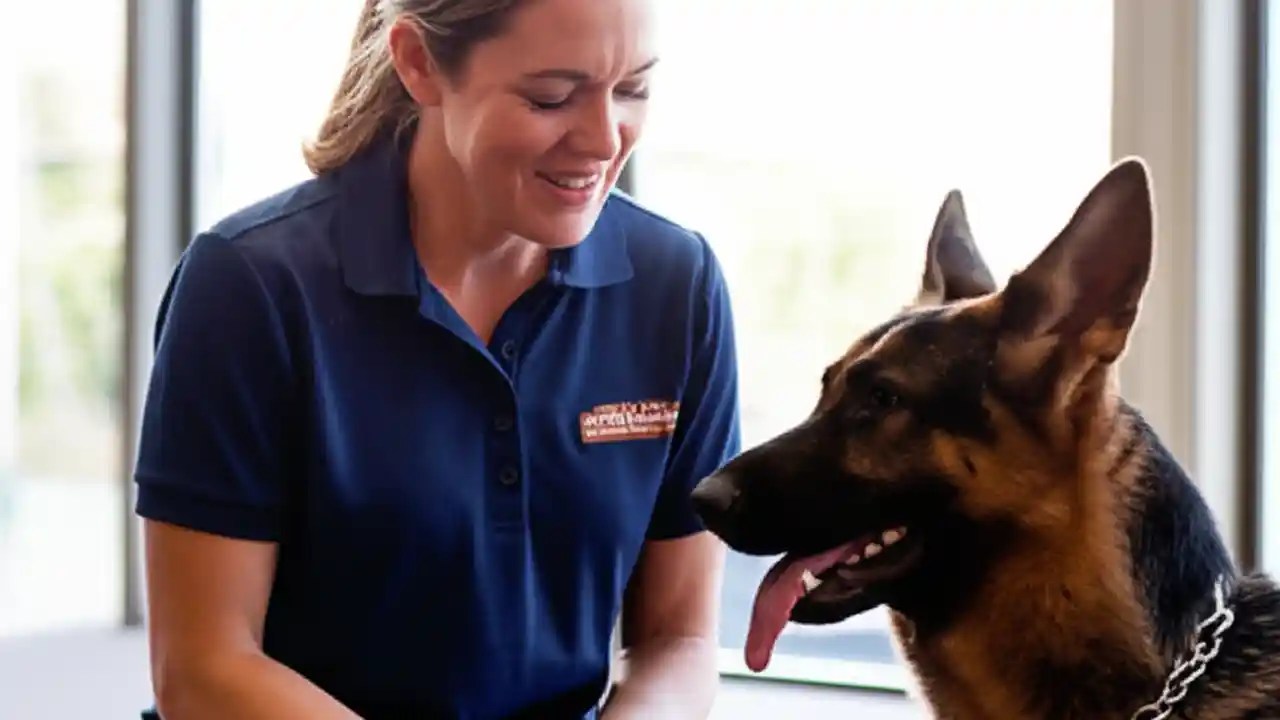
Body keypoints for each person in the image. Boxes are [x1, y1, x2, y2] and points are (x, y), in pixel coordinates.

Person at [134, 0, 742, 718]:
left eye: (632, 90)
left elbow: (680, 637)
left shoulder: (678, 284)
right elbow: (203, 668)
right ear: (418, 62)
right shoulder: (250, 285)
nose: (605, 138)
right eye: (551, 97)